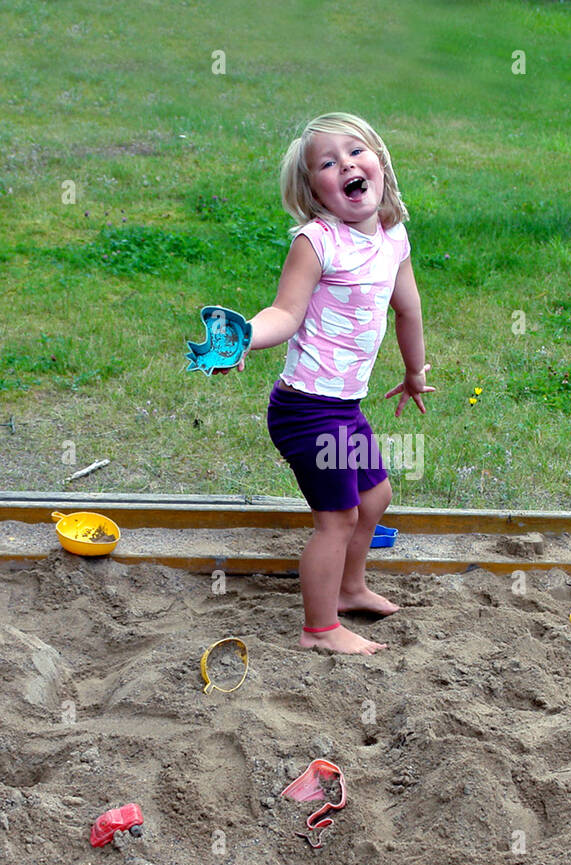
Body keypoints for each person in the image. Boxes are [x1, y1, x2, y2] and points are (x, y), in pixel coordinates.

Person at [221, 112, 433, 654]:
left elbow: (407, 310)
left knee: (376, 495)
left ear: (380, 161)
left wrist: (413, 373)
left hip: (343, 406)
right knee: (336, 519)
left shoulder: (391, 236)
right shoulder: (316, 243)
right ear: (314, 189)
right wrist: (246, 336)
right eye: (328, 163)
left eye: (356, 152)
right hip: (307, 409)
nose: (346, 165)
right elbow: (285, 314)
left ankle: (350, 588)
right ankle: (319, 629)